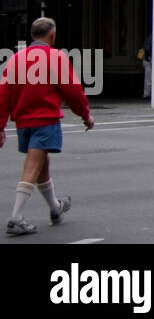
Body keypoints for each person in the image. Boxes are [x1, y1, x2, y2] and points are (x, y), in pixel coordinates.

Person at [0, 18, 93, 237]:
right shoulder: (56, 58)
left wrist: (1, 126)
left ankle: (55, 208)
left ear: (32, 35)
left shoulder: (15, 59)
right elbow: (72, 91)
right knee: (33, 166)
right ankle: (16, 217)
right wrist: (85, 114)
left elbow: (4, 94)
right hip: (45, 119)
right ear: (52, 35)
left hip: (23, 122)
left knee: (42, 163)